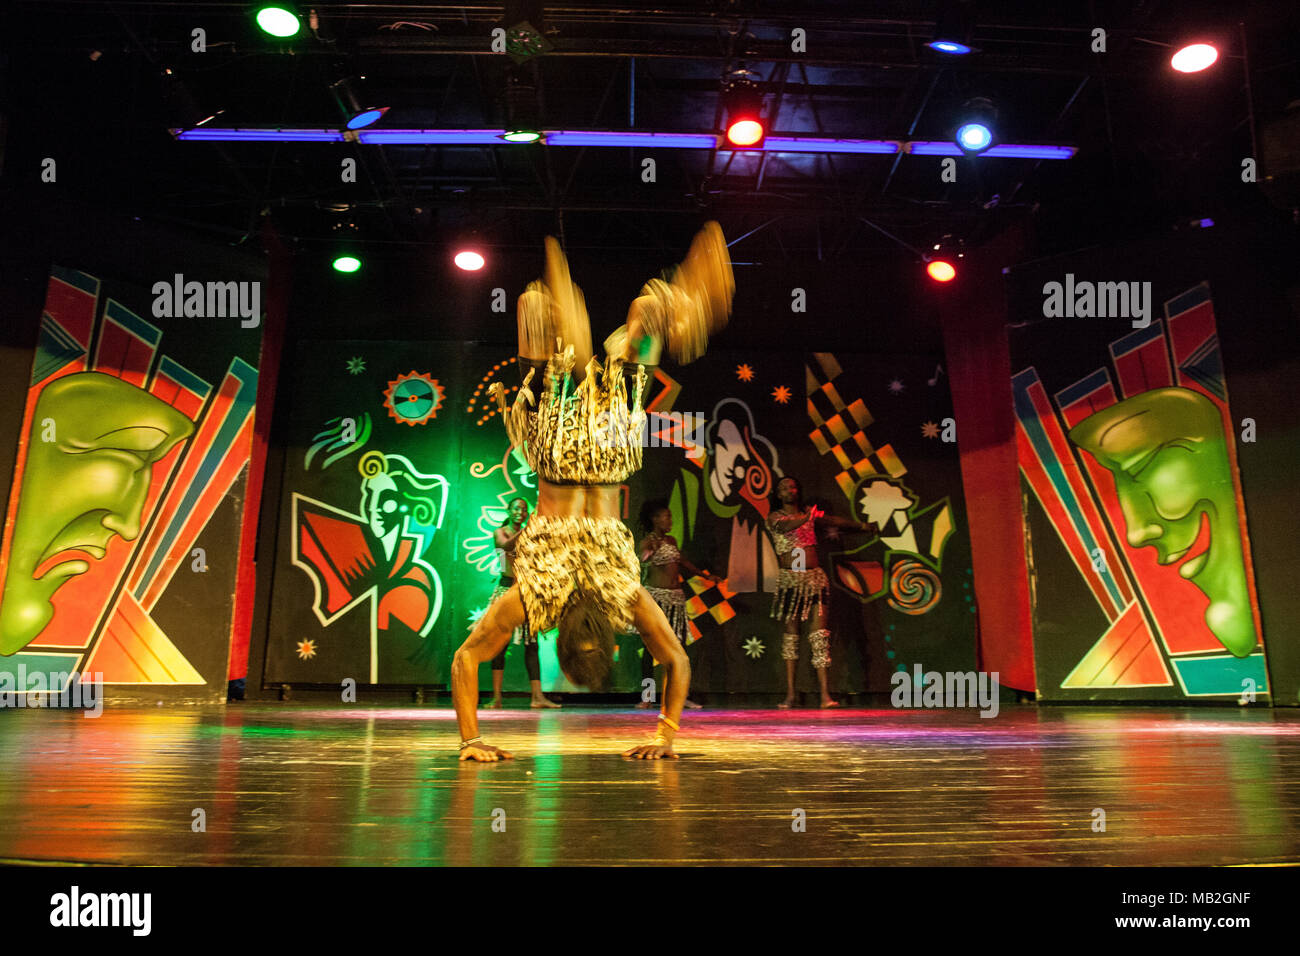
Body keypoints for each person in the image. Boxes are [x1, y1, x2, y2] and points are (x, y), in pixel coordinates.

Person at [451, 221, 734, 761]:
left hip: (590, 457)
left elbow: (467, 658)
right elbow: (676, 660)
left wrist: (473, 741)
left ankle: (635, 300)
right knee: (594, 351)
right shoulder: (598, 598)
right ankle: (644, 301)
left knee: (596, 353)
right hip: (586, 457)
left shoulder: (550, 598)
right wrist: (661, 736)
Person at [766, 475, 875, 709]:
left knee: (819, 636)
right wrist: (808, 517)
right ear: (778, 494)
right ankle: (790, 695)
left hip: (814, 579)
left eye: (792, 486)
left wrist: (862, 526)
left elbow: (833, 521)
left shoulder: (809, 514)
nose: (789, 490)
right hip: (790, 581)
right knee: (791, 637)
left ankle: (825, 695)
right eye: (783, 488)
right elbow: (786, 526)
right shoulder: (775, 517)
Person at [635, 498, 717, 710]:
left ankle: (680, 695)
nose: (670, 520)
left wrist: (705, 576)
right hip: (656, 599)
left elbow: (682, 562)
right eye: (666, 516)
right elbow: (641, 560)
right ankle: (647, 696)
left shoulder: (671, 541)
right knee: (650, 649)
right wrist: (649, 551)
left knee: (679, 649)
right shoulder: (647, 542)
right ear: (655, 519)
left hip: (677, 600)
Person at [484, 498, 560, 709]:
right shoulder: (499, 532)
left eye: (524, 509)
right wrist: (528, 529)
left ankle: (537, 697)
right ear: (509, 510)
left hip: (526, 592)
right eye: (516, 508)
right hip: (505, 589)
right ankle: (496, 698)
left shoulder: (530, 535)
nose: (520, 511)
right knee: (500, 644)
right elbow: (506, 546)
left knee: (532, 644)